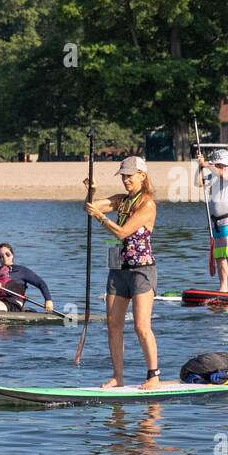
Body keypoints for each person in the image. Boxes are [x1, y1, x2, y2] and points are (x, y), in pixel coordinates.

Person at [84, 156, 160, 390]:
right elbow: (91, 208)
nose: (126, 180)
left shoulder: (147, 204)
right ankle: (118, 377)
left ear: (142, 176)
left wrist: (100, 217)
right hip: (117, 267)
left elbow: (123, 232)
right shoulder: (122, 200)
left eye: (129, 175)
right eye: (123, 176)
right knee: (113, 325)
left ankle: (153, 376)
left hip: (141, 270)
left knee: (141, 326)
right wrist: (92, 192)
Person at [198, 147, 228, 291]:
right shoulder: (214, 175)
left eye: (217, 164)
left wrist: (207, 165)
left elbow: (223, 175)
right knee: (220, 257)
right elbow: (198, 183)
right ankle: (223, 286)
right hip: (217, 222)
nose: (216, 166)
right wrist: (199, 167)